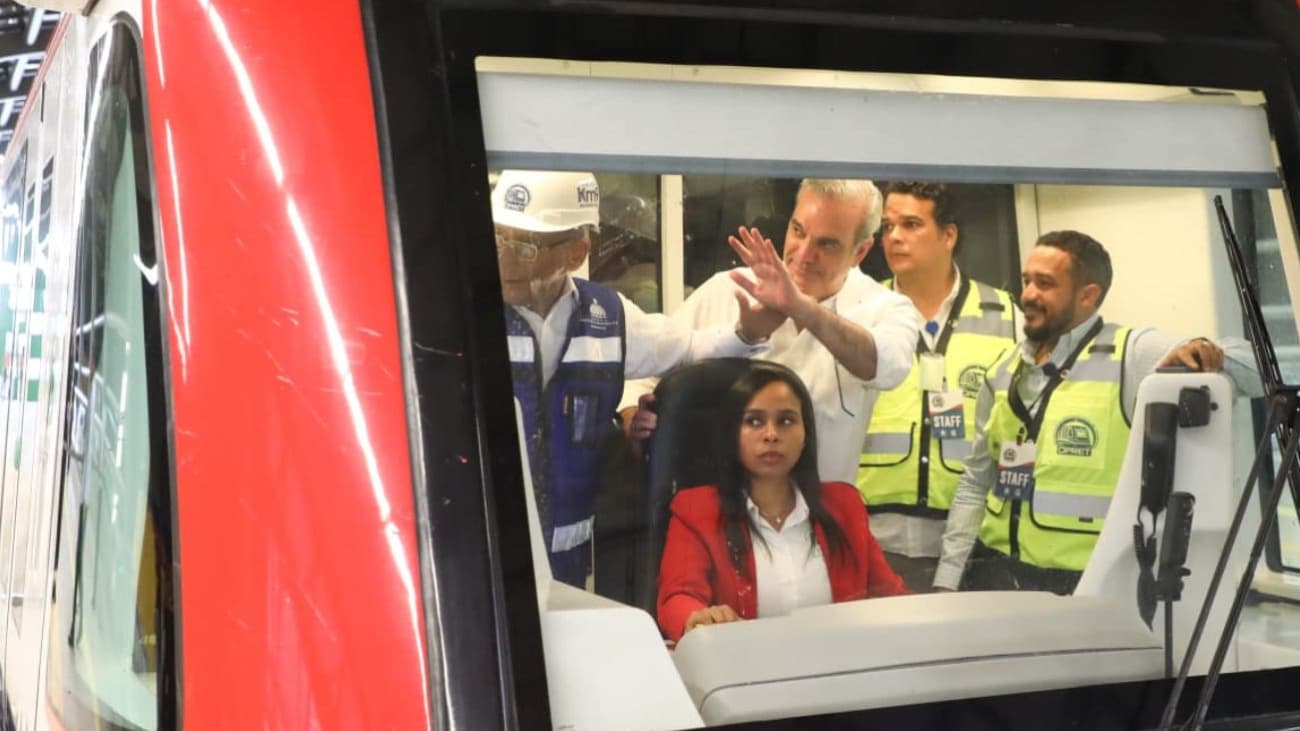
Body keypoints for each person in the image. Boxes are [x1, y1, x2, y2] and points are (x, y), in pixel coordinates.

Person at [494, 169, 782, 587]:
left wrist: (749, 332)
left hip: (570, 558)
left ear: (576, 252)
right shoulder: (459, 313)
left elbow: (686, 347)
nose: (503, 258)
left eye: (523, 246)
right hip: (480, 546)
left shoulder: (608, 317)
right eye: (498, 238)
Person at [934, 230, 1262, 594]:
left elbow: (1264, 370)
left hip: (1084, 584)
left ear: (1087, 295)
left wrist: (1206, 349)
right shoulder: (1004, 368)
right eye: (1027, 281)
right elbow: (976, 481)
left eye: (1045, 284)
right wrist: (947, 581)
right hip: (995, 576)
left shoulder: (1132, 353)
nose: (1028, 294)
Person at [621, 179, 922, 484]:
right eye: (798, 231)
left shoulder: (886, 307)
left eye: (826, 244)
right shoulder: (729, 288)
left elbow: (887, 366)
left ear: (861, 251)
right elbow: (643, 375)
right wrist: (633, 418)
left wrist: (802, 308)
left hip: (820, 517)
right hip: (717, 517)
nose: (803, 254)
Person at [656, 363, 907, 643]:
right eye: (754, 421)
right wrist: (698, 618)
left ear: (806, 434)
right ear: (731, 434)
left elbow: (891, 597)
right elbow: (678, 597)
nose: (771, 434)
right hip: (742, 674)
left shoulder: (843, 505)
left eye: (786, 421)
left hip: (838, 672)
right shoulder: (697, 509)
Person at [856, 182, 1017, 591]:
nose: (894, 237)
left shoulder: (1006, 316)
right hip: (872, 534)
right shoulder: (860, 313)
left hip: (971, 540)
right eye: (888, 226)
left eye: (911, 224)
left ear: (949, 235)